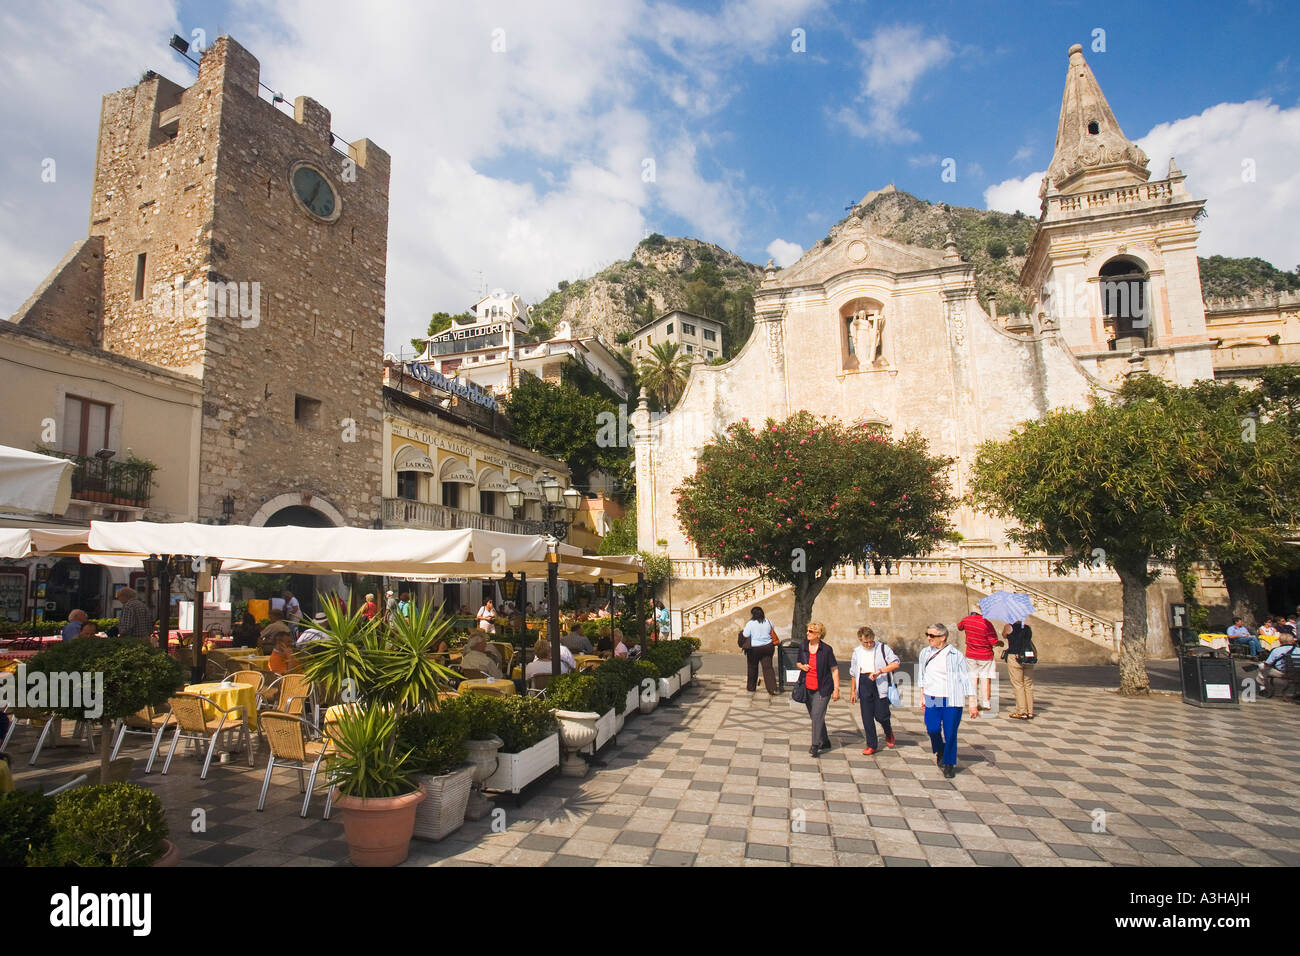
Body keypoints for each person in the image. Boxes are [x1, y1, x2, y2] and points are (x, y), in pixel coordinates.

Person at [917, 624, 979, 779]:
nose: (929, 638)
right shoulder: (925, 653)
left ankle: (949, 763)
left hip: (952, 699)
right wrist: (922, 696)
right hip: (932, 697)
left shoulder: (955, 655)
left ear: (943, 637)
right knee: (932, 729)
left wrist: (972, 703)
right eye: (928, 635)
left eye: (932, 636)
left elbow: (966, 679)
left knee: (950, 732)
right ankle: (940, 749)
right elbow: (922, 676)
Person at [848, 625, 898, 755]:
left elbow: (895, 663)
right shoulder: (857, 652)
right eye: (866, 642)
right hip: (864, 683)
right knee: (867, 716)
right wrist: (853, 691)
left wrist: (880, 671)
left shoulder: (883, 648)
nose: (869, 644)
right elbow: (854, 673)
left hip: (880, 682)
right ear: (860, 640)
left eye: (871, 641)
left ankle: (888, 732)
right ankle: (871, 745)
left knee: (881, 715)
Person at [794, 621, 840, 757]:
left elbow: (834, 669)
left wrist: (836, 688)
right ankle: (824, 740)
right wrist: (802, 667)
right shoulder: (803, 646)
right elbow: (798, 662)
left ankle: (815, 745)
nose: (807, 633)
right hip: (807, 686)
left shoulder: (826, 650)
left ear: (819, 635)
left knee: (816, 715)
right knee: (816, 716)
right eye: (807, 630)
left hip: (823, 688)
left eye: (811, 631)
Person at [958, 607, 1001, 710]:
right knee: (985, 678)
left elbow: (959, 627)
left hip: (971, 654)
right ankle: (985, 702)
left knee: (973, 678)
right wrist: (999, 643)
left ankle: (973, 702)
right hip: (985, 655)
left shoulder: (966, 619)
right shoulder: (986, 623)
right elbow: (992, 640)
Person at [1002, 619, 1036, 719]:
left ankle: (1022, 711)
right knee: (1028, 684)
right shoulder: (1027, 628)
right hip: (1028, 657)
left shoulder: (1009, 626)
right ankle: (1030, 711)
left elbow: (1004, 636)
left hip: (1014, 657)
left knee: (1018, 684)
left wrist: (1006, 628)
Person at [741, 605, 779, 695]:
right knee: (768, 668)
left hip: (754, 648)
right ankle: (772, 688)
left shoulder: (751, 623)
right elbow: (771, 630)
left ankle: (751, 687)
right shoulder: (768, 621)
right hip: (768, 647)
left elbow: (745, 634)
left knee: (752, 667)